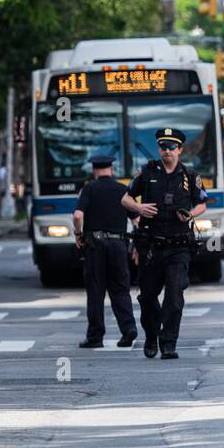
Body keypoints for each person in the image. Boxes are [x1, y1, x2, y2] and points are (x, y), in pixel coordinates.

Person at [122, 127, 208, 360]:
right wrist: (139, 207)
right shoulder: (147, 172)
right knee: (147, 298)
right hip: (151, 247)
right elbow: (125, 198)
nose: (166, 151)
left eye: (171, 147)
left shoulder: (190, 176)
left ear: (180, 150)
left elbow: (202, 204)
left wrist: (190, 214)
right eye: (162, 147)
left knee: (175, 296)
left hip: (179, 247)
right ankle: (151, 336)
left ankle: (168, 343)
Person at [72, 152, 137, 350]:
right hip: (118, 245)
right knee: (120, 289)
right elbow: (137, 220)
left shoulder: (89, 189)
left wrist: (78, 234)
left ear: (94, 170)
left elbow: (77, 215)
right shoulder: (122, 190)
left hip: (96, 246)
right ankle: (128, 329)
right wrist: (138, 245)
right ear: (112, 169)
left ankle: (95, 336)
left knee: (96, 291)